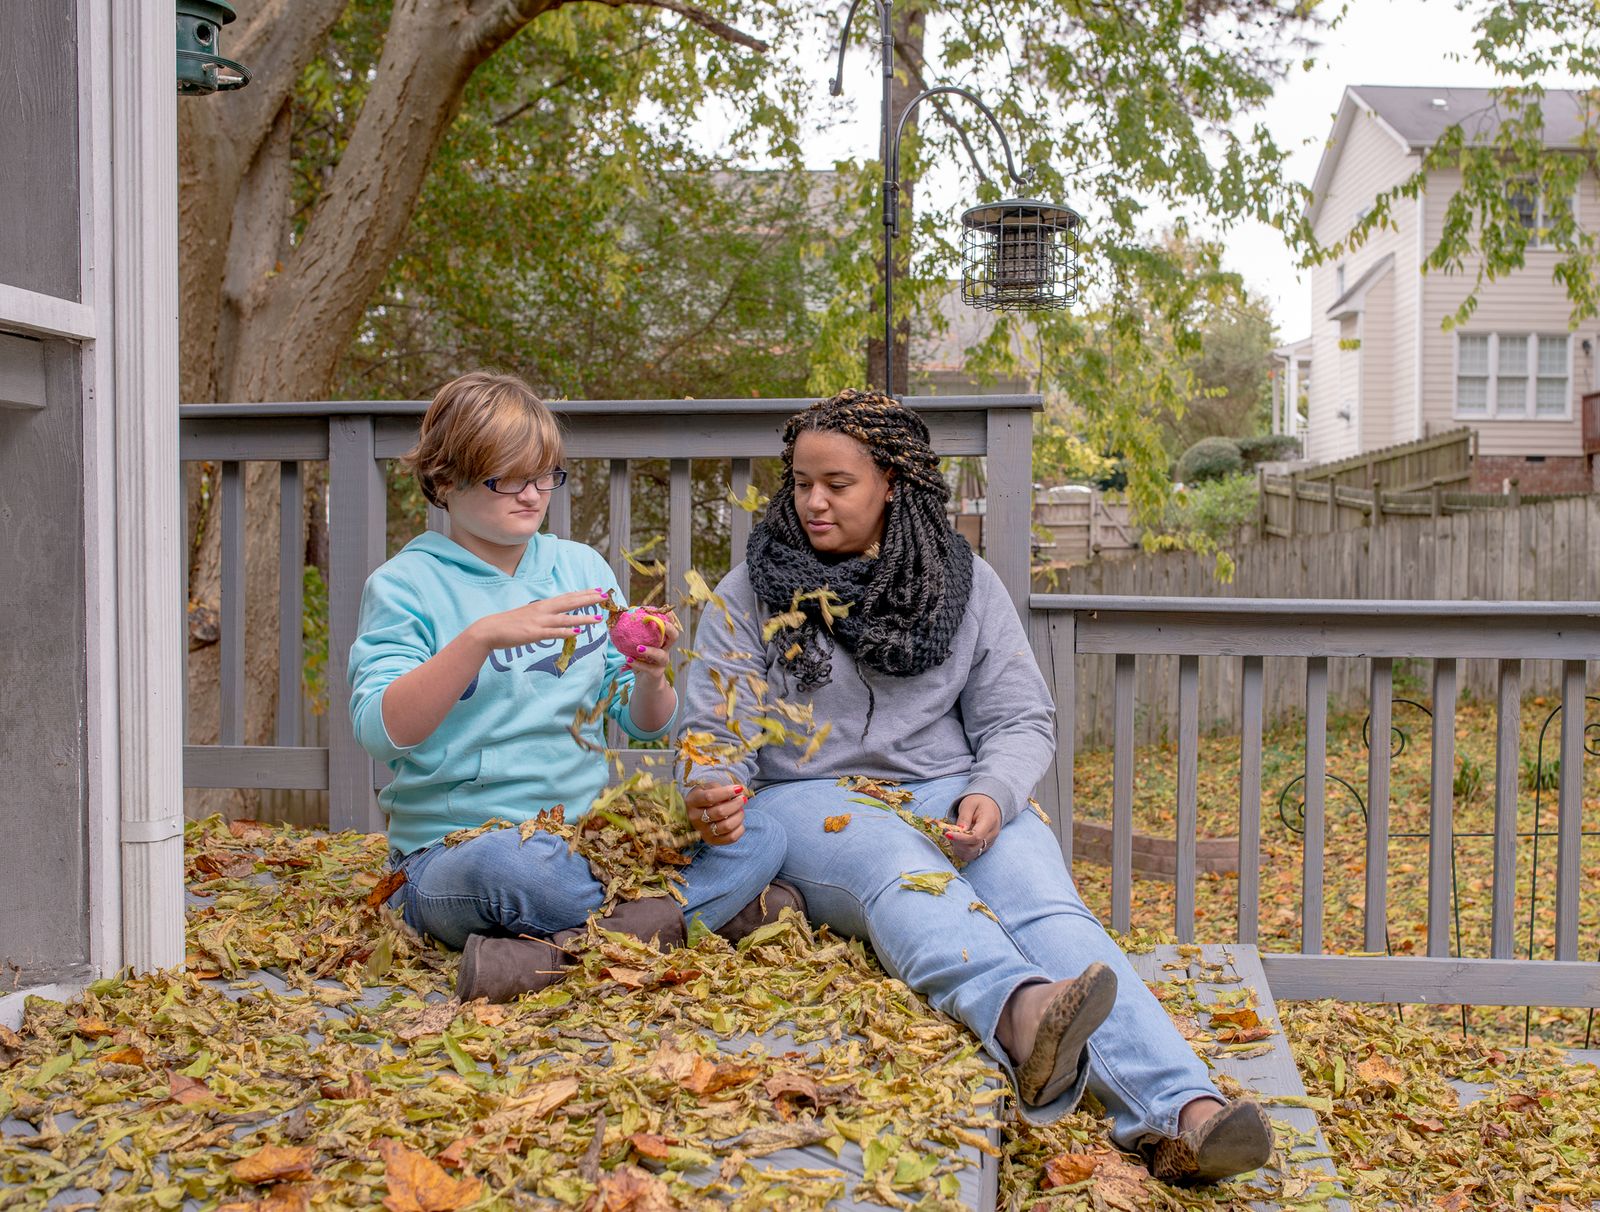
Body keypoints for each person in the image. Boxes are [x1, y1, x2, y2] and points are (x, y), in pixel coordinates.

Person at [679, 389, 1272, 1185]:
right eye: (799, 482)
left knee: (1046, 905)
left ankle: (1185, 1114)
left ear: (892, 480)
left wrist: (993, 791)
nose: (812, 501)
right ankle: (1023, 1013)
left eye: (837, 484)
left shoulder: (962, 584)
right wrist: (712, 785)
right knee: (902, 868)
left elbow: (1021, 717)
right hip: (812, 799)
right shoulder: (755, 591)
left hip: (950, 789)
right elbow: (713, 733)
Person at [349, 370, 799, 1004]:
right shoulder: (405, 585)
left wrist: (651, 676)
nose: (534, 495)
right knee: (516, 870)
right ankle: (701, 916)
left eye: (546, 476)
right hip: (457, 853)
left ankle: (549, 958)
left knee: (764, 832)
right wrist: (479, 638)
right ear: (445, 480)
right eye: (507, 478)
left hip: (587, 840)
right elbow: (380, 730)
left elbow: (644, 723)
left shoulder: (579, 568)